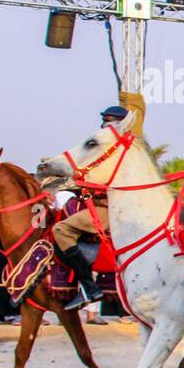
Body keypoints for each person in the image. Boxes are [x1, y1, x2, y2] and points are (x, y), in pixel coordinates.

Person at [53, 104, 128, 310]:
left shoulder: (120, 151)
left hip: (111, 206)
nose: (106, 124)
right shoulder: (114, 149)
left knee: (60, 229)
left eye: (110, 121)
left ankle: (88, 286)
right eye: (105, 120)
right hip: (101, 202)